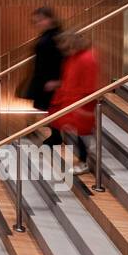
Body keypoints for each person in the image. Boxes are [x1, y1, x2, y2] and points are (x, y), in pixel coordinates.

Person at [49, 30, 100, 176]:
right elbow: (69, 79)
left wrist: (81, 103)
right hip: (74, 100)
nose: (62, 49)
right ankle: (84, 157)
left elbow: (89, 85)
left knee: (83, 132)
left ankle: (84, 161)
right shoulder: (74, 57)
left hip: (82, 102)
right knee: (80, 131)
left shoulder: (86, 58)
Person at [23, 7, 63, 146]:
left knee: (51, 106)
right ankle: (52, 134)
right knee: (47, 106)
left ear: (49, 19)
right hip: (44, 77)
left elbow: (60, 59)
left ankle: (55, 135)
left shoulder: (56, 36)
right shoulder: (48, 35)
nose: (38, 24)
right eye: (36, 22)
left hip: (50, 78)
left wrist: (58, 80)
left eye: (40, 20)